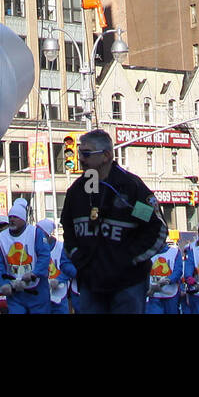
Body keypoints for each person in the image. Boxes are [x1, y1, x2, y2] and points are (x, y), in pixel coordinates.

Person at [61, 128, 169, 314]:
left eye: (86, 154)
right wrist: (78, 257)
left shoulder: (130, 190)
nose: (81, 159)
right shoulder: (77, 191)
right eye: (80, 153)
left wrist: (129, 259)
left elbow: (156, 228)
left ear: (106, 155)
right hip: (91, 283)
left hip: (127, 284)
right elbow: (68, 228)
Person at [0, 199, 51, 314]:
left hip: (37, 289)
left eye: (16, 217)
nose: (12, 220)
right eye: (10, 217)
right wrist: (3, 283)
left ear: (23, 219)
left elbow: (44, 256)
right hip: (15, 290)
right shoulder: (1, 238)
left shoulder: (36, 233)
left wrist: (34, 273)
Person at [144, 238, 182, 315]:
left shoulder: (175, 251)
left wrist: (168, 280)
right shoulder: (147, 252)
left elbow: (178, 270)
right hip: (153, 294)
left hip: (170, 293)